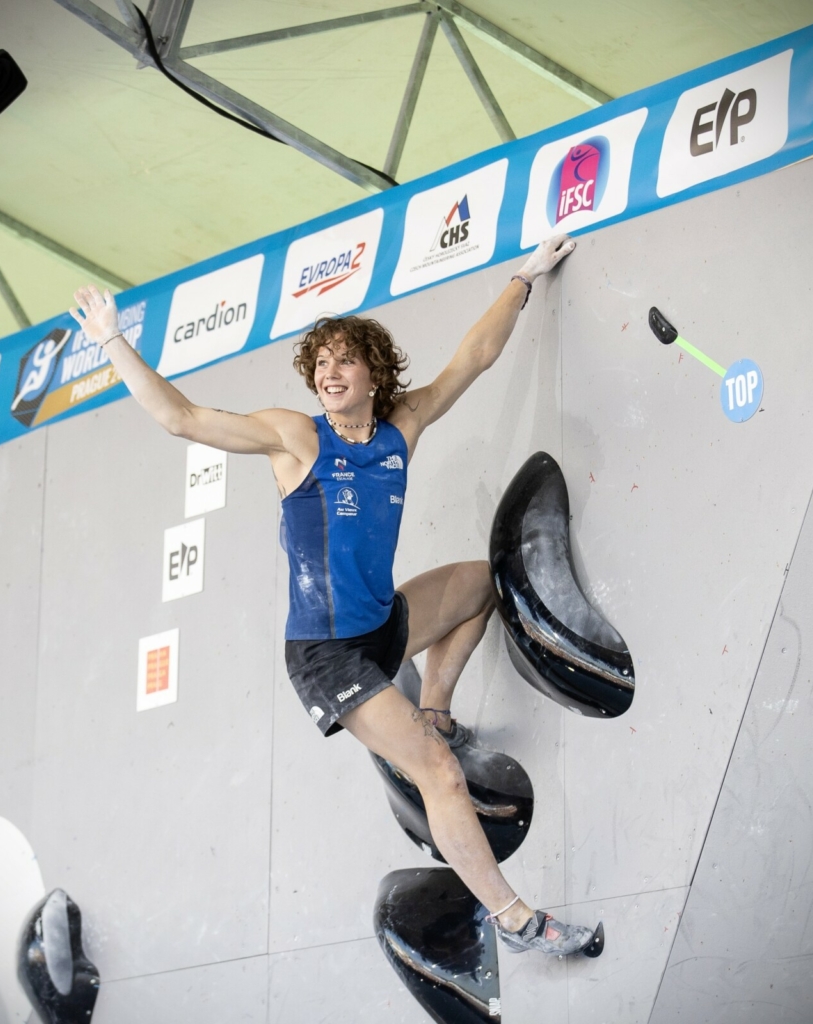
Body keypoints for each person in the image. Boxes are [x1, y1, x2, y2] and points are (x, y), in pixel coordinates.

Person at [69, 234, 598, 957]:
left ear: (374, 373)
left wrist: (525, 276)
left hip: (380, 625)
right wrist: (111, 341)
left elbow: (473, 358)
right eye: (320, 363)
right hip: (326, 655)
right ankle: (515, 921)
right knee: (440, 775)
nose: (328, 372)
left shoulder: (400, 426)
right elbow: (181, 418)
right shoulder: (296, 438)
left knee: (481, 582)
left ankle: (435, 711)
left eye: (344, 359)